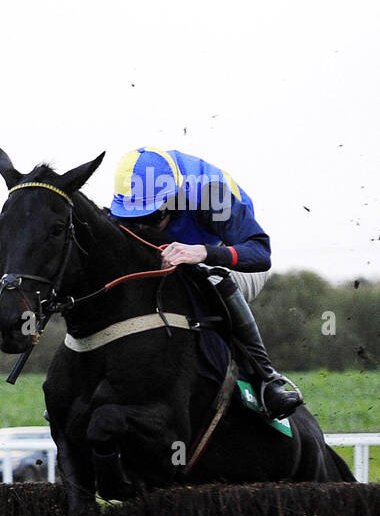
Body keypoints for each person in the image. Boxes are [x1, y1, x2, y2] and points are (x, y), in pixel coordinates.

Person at [109, 147, 303, 419]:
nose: (142, 226)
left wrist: (203, 253)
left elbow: (260, 253)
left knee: (210, 277)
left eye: (150, 217)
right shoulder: (134, 192)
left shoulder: (210, 195)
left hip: (233, 258)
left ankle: (266, 380)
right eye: (132, 218)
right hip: (183, 258)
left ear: (172, 198)